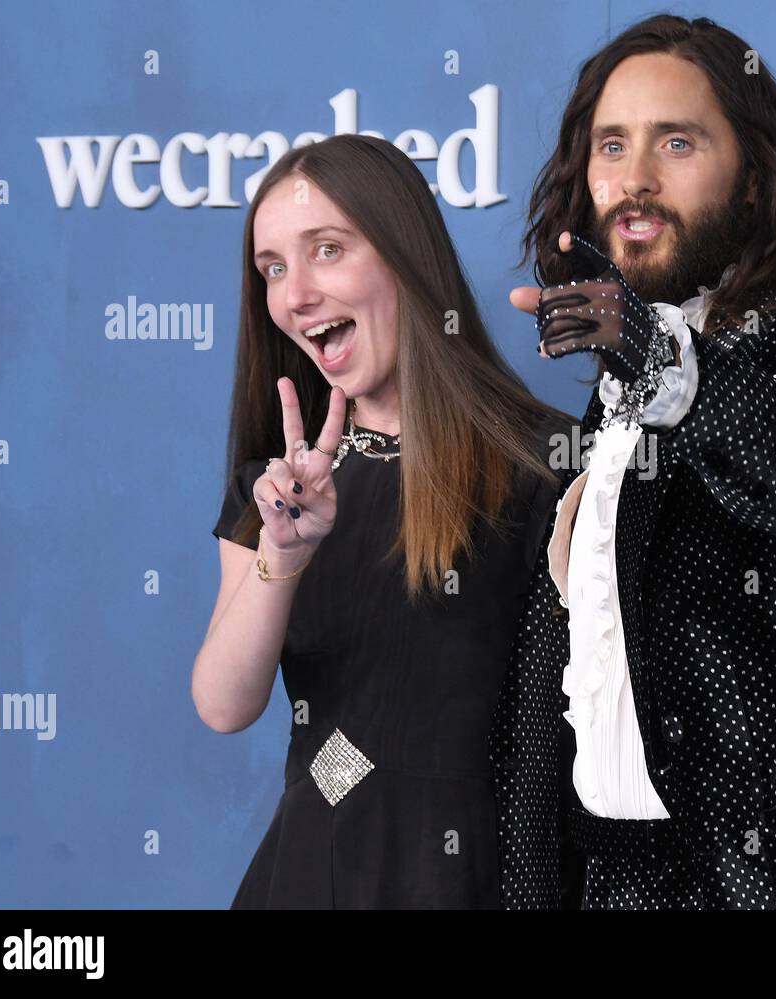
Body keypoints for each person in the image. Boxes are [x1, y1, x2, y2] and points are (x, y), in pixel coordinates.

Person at [493, 14, 776, 908]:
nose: (634, 181)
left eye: (676, 142)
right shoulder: (604, 405)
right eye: (612, 145)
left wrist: (660, 358)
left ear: (753, 180)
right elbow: (557, 703)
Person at [192, 133, 575, 908]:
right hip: (311, 871)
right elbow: (224, 704)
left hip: (484, 878)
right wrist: (282, 551)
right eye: (272, 268)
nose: (294, 294)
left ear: (407, 255)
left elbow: (635, 688)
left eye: (326, 250)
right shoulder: (272, 488)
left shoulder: (550, 462)